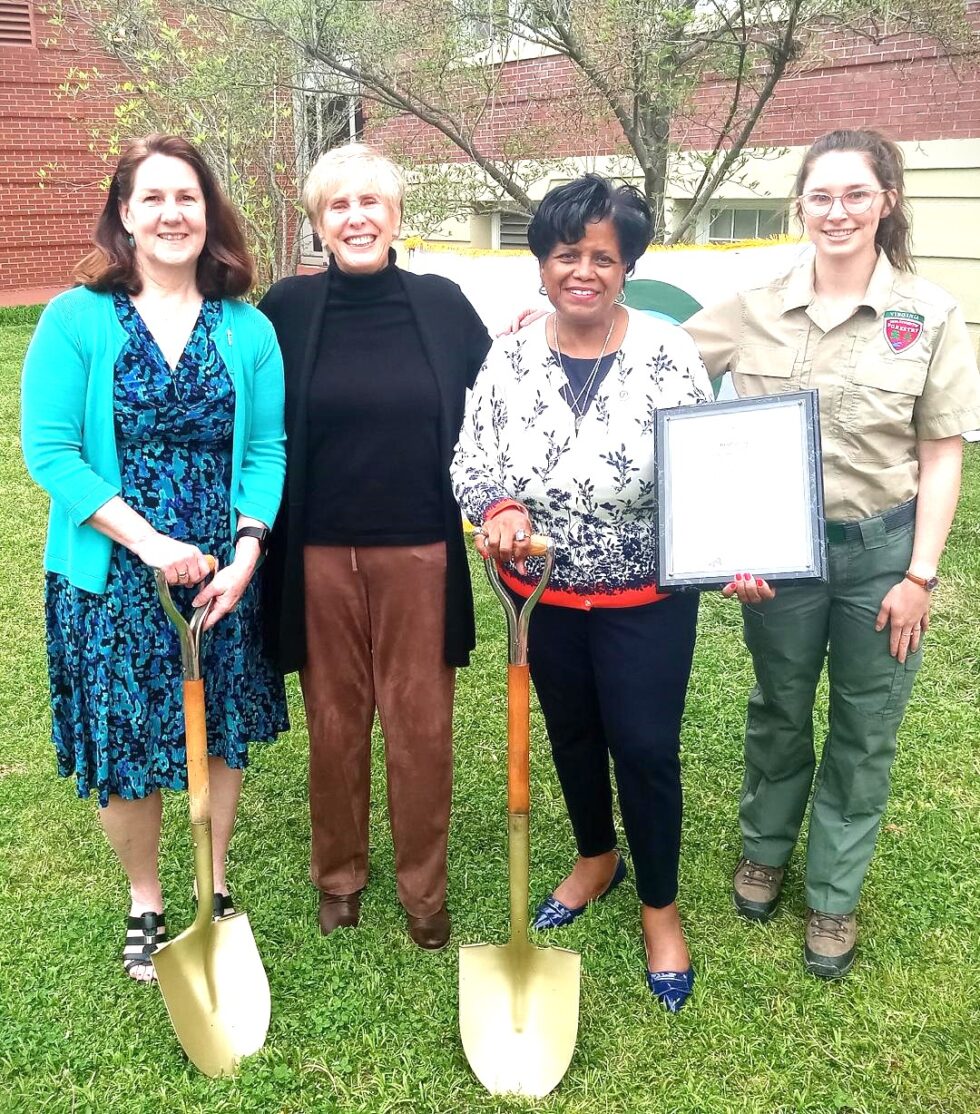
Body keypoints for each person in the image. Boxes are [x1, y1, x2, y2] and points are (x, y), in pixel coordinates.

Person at [686, 128, 980, 978]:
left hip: (881, 554)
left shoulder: (927, 315)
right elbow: (660, 363)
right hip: (779, 559)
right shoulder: (753, 306)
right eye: (821, 195)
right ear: (801, 206)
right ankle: (764, 852)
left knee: (864, 727)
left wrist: (920, 576)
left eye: (856, 194)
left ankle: (833, 895)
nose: (838, 211)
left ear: (887, 200)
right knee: (778, 709)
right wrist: (556, 315)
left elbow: (941, 451)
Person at [20, 134, 288, 981]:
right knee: (126, 741)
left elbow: (267, 451)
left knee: (219, 734)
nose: (174, 213)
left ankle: (215, 885)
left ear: (210, 215)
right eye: (154, 198)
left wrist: (246, 549)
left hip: (220, 575)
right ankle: (146, 899)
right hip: (112, 575)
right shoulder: (76, 319)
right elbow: (52, 450)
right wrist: (149, 542)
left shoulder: (247, 328)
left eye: (190, 197)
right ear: (125, 216)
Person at [452, 174, 712, 1011]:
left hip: (647, 601)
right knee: (570, 737)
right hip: (543, 598)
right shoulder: (510, 355)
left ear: (628, 265)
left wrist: (737, 546)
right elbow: (473, 458)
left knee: (643, 748)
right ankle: (597, 855)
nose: (585, 270)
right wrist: (498, 505)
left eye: (604, 255)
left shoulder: (667, 350)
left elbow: (712, 468)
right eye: (568, 254)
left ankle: (659, 908)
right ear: (542, 263)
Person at [258, 143, 491, 949]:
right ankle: (340, 879)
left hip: (421, 552)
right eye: (338, 206)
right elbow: (250, 418)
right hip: (317, 556)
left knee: (421, 727)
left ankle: (424, 892)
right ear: (319, 222)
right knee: (335, 722)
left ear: (396, 214)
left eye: (371, 203)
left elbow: (498, 399)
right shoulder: (284, 308)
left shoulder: (442, 304)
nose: (356, 218)